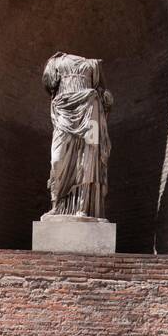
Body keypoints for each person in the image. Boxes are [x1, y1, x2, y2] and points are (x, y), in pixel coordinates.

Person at [42, 52, 113, 219]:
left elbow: (103, 90)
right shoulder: (55, 61)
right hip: (64, 109)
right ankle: (57, 204)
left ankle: (84, 207)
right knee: (57, 160)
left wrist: (107, 98)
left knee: (89, 159)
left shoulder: (95, 63)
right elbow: (48, 84)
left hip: (91, 109)